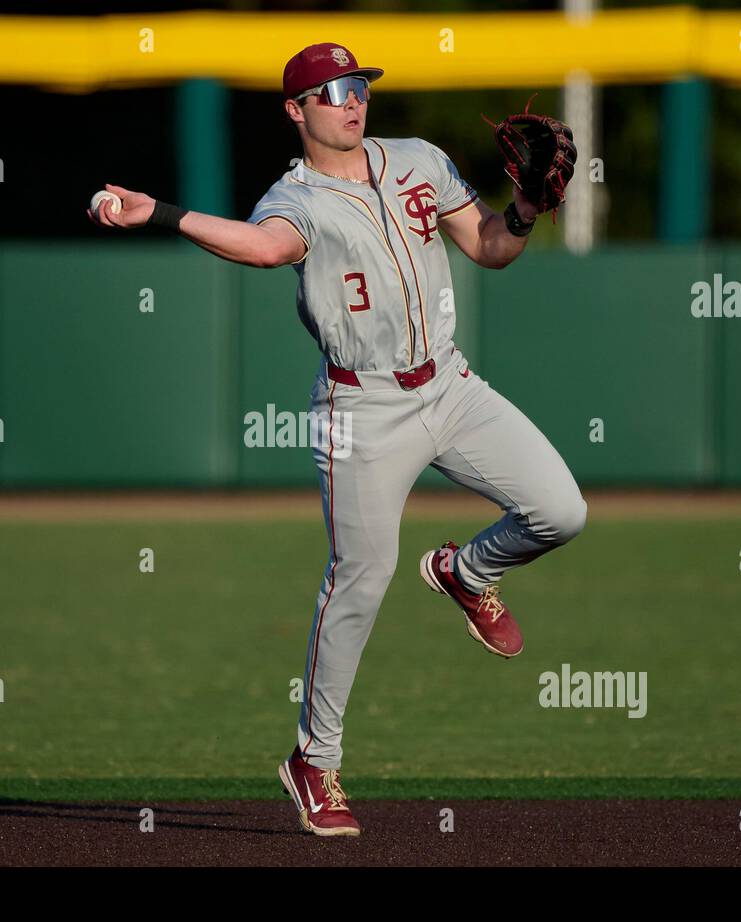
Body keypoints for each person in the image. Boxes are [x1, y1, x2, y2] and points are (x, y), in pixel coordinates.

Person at [88, 42, 587, 838]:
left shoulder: (420, 159)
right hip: (363, 409)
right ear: (296, 110)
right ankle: (313, 763)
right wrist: (162, 212)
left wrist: (524, 210)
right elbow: (262, 249)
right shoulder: (297, 198)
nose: (351, 101)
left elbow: (490, 249)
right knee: (362, 577)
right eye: (331, 92)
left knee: (562, 511)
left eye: (358, 86)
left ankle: (465, 571)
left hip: (451, 386)